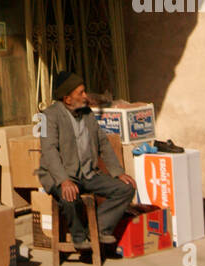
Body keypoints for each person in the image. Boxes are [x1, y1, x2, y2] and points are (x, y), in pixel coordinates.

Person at [38, 70, 136, 249]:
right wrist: (64, 180)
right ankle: (78, 236)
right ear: (67, 99)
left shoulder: (87, 113)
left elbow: (103, 143)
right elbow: (49, 150)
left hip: (88, 174)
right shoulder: (47, 117)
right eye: (80, 93)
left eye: (84, 91)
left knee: (126, 188)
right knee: (69, 196)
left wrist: (118, 172)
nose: (85, 96)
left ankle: (98, 229)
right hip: (60, 175)